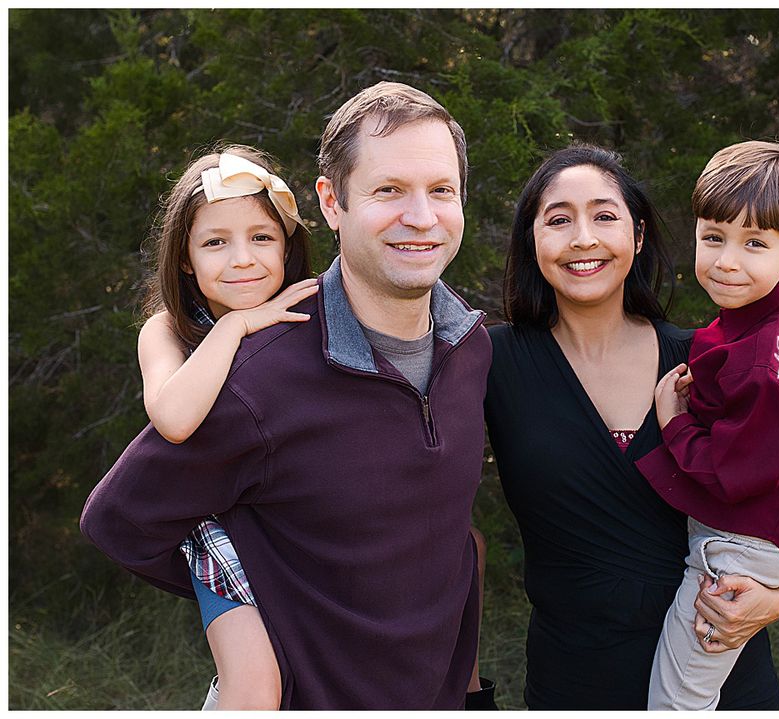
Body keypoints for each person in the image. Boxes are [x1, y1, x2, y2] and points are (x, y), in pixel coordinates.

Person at [81, 81, 495, 710]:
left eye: (440, 190)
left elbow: (455, 542)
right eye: (388, 190)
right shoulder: (261, 377)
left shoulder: (470, 345)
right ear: (332, 203)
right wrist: (255, 599)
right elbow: (121, 522)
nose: (421, 216)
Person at [485, 144, 779, 709]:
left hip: (718, 667)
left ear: (637, 237)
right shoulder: (488, 362)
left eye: (604, 216)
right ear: (532, 241)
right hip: (575, 679)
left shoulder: (708, 356)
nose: (583, 238)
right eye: (558, 220)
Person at [636, 140, 779, 709]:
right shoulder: (758, 320)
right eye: (712, 237)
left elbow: (734, 470)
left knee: (678, 699)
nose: (727, 261)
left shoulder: (776, 360)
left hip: (740, 545)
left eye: (755, 244)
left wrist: (673, 421)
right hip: (745, 532)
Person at [136, 144, 317, 709]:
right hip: (221, 536)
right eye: (216, 242)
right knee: (255, 687)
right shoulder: (167, 329)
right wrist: (236, 327)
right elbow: (174, 418)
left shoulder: (314, 313)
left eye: (262, 238)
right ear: (185, 257)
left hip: (306, 528)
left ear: (287, 247)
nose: (242, 258)